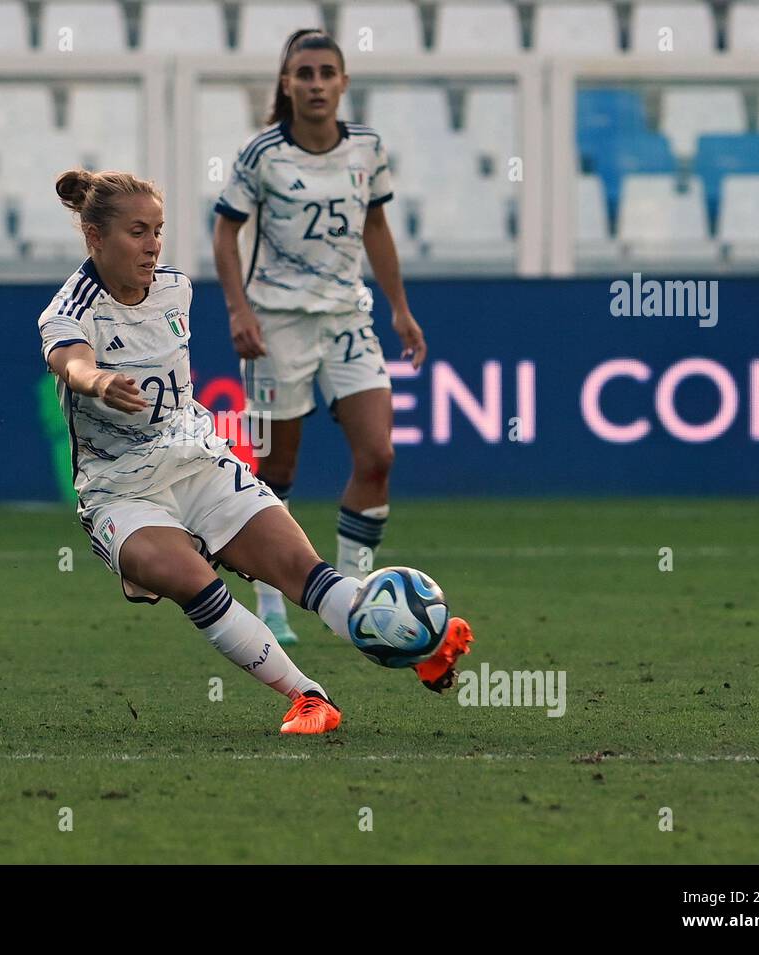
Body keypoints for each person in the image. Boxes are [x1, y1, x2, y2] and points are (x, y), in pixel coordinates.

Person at [37, 168, 472, 735]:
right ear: (96, 238)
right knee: (192, 578)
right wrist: (97, 383)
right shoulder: (69, 309)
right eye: (137, 232)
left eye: (158, 230)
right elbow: (70, 361)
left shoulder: (175, 289)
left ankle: (423, 647)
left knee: (304, 573)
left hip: (200, 462)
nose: (152, 246)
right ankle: (308, 697)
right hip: (122, 491)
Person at [212, 28, 425, 647]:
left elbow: (376, 226)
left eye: (326, 73)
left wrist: (400, 309)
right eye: (303, 74)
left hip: (347, 318)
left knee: (378, 455)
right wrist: (238, 310)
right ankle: (271, 599)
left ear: (343, 83)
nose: (315, 84)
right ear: (287, 84)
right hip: (276, 325)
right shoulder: (262, 155)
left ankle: (356, 596)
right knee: (277, 468)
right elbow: (225, 234)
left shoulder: (366, 149)